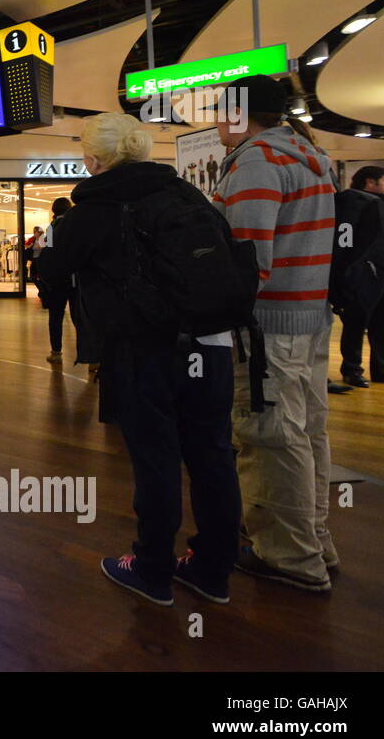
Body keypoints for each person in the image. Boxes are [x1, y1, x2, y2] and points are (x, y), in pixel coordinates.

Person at [39, 113, 241, 607]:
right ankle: (213, 571)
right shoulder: (187, 196)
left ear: (92, 159)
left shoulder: (90, 210)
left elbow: (51, 275)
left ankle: (152, 569)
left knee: (156, 459)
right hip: (212, 343)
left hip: (145, 349)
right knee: (213, 455)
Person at [210, 75, 338, 592]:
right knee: (305, 430)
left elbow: (248, 258)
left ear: (240, 115)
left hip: (268, 327)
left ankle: (290, 557)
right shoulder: (309, 158)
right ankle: (315, 541)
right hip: (307, 316)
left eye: (221, 111)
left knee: (269, 435)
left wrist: (218, 315)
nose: (216, 121)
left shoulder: (258, 161)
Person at [336, 165, 384, 387]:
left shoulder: (383, 207)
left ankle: (382, 368)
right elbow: (347, 242)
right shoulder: (353, 203)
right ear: (370, 182)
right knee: (355, 323)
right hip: (363, 277)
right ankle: (352, 369)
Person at [38, 198, 82, 364]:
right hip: (74, 279)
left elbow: (43, 249)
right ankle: (91, 357)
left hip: (56, 280)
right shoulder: (75, 226)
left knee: (56, 316)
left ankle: (56, 352)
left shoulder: (51, 228)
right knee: (80, 318)